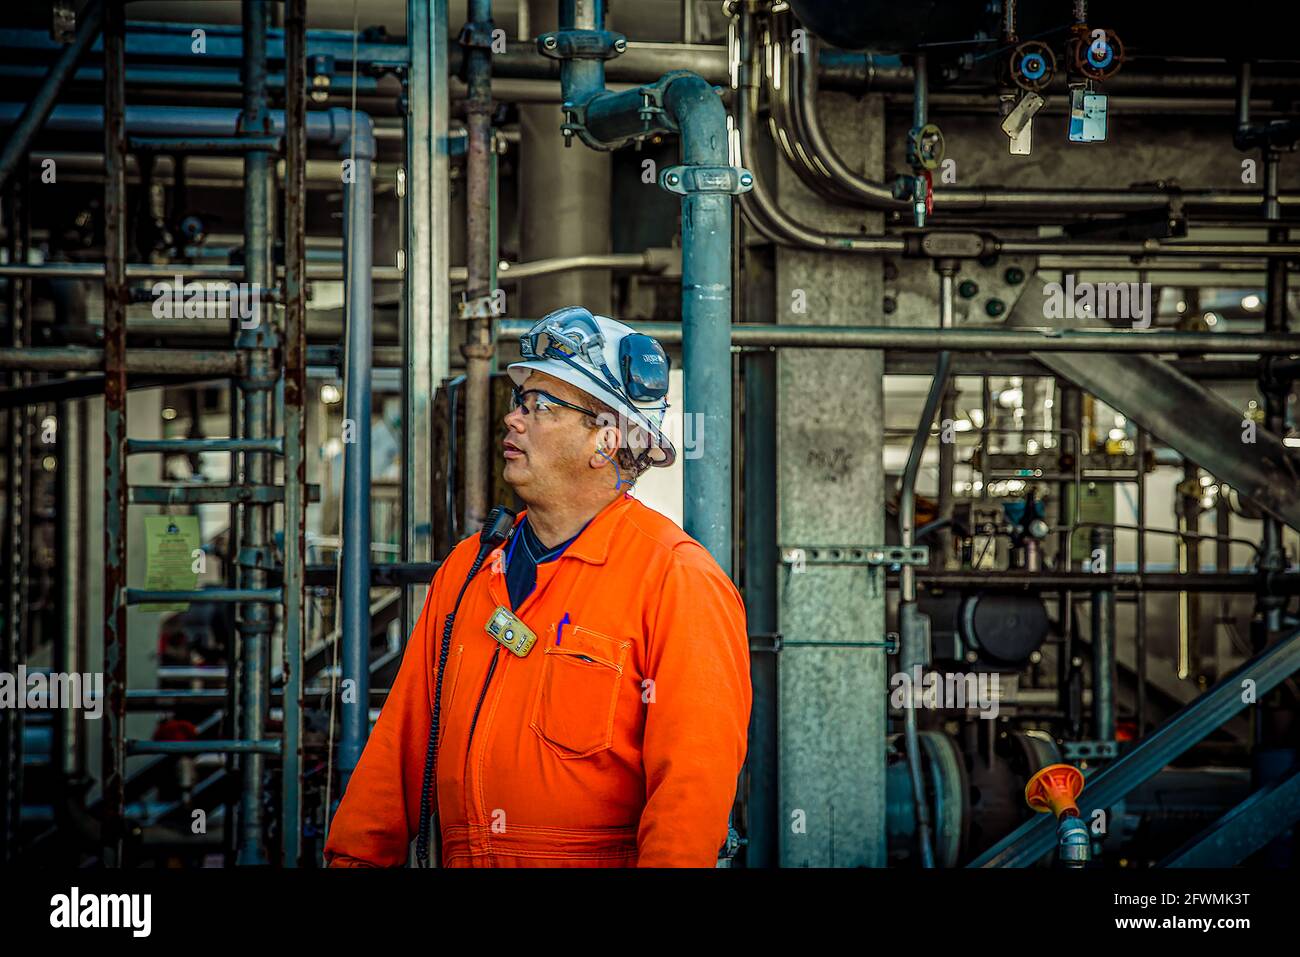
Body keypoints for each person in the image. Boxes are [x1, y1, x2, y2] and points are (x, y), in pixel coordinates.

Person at [324, 305, 751, 867]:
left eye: (542, 407)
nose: (514, 420)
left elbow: (689, 803)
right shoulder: (469, 569)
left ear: (606, 441)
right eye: (519, 402)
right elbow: (395, 752)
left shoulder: (676, 579)